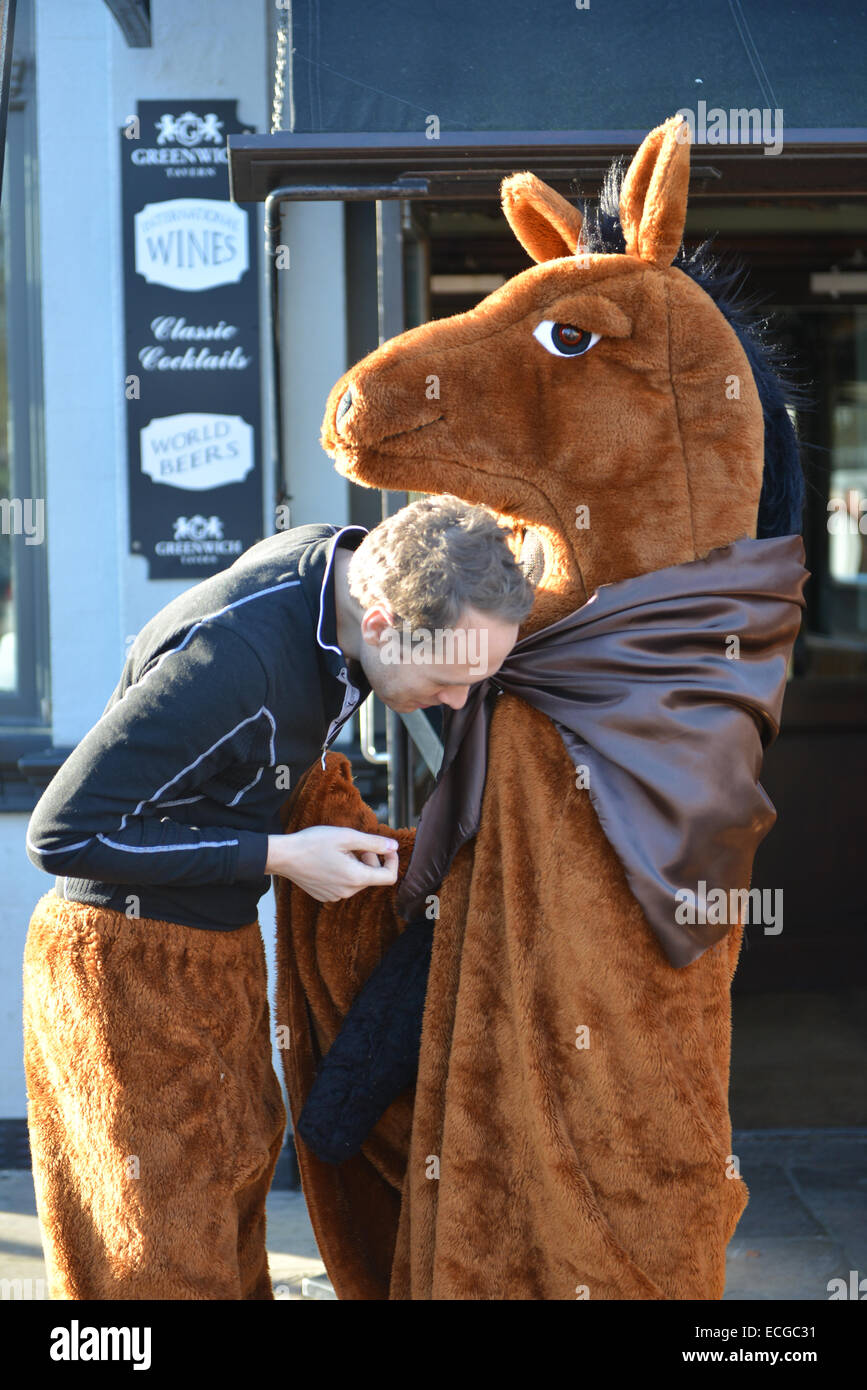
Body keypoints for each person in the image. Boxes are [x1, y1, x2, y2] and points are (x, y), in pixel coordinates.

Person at [22, 492, 535, 1300]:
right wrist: (281, 855)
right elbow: (59, 833)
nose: (458, 701)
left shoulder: (343, 562)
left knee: (233, 1219)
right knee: (155, 1267)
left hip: (217, 957)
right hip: (119, 972)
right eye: (445, 676)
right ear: (380, 626)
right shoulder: (235, 655)